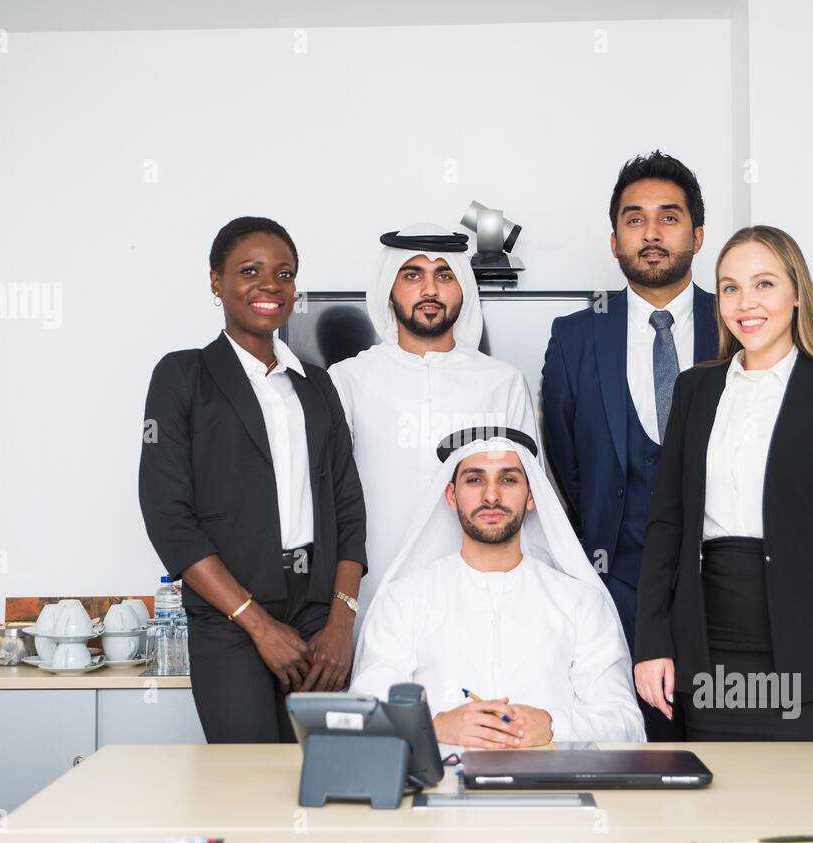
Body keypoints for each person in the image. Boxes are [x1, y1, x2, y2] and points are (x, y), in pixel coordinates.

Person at [634, 225, 813, 748]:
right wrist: (651, 642)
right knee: (719, 810)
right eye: (730, 287)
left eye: (764, 284)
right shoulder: (695, 389)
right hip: (709, 646)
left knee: (808, 818)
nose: (745, 303)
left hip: (808, 649)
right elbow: (667, 523)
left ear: (797, 293)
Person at [138, 216, 366, 743]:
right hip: (229, 618)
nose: (270, 285)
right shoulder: (182, 377)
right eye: (249, 271)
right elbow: (168, 516)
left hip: (318, 616)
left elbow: (348, 508)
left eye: (284, 274)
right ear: (215, 281)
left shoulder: (317, 387)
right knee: (248, 780)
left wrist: (341, 622)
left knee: (325, 779)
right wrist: (257, 623)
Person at [540, 151, 717, 741]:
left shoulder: (739, 325)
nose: (651, 232)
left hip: (726, 586)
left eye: (669, 218)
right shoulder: (573, 336)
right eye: (634, 219)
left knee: (732, 758)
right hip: (613, 587)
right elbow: (563, 464)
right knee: (630, 756)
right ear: (614, 239)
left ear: (696, 235)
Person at [350, 427, 645, 749]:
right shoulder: (404, 601)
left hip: (551, 791)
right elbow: (360, 718)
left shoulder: (580, 602)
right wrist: (436, 726)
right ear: (451, 496)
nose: (491, 496)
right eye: (475, 480)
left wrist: (553, 726)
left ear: (531, 496)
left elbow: (627, 726)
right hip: (439, 787)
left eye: (508, 480)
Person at [329, 224, 538, 630]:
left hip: (481, 605)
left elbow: (529, 501)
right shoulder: (348, 379)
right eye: (412, 275)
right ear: (389, 288)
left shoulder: (502, 381)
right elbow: (333, 503)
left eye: (444, 275)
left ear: (462, 287)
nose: (430, 290)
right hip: (375, 601)